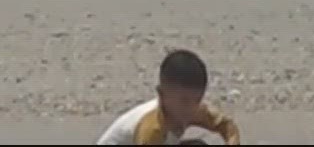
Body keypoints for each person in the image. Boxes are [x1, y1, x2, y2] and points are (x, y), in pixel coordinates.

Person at [96, 48, 241, 144]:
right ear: (161, 95)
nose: (190, 109)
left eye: (196, 100)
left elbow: (227, 126)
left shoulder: (191, 110)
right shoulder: (152, 129)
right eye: (184, 101)